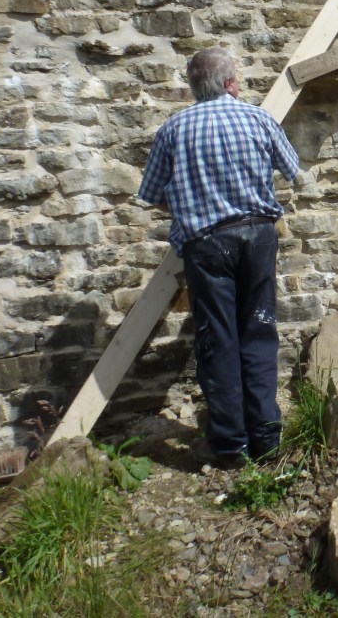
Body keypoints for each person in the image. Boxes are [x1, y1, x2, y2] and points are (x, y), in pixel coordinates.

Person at [137, 48, 301, 467]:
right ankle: (267, 439)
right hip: (258, 237)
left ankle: (231, 448)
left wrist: (191, 208)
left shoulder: (173, 130)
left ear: (194, 86)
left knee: (217, 341)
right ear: (231, 83)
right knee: (259, 332)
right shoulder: (258, 118)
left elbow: (150, 196)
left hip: (207, 244)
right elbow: (294, 171)